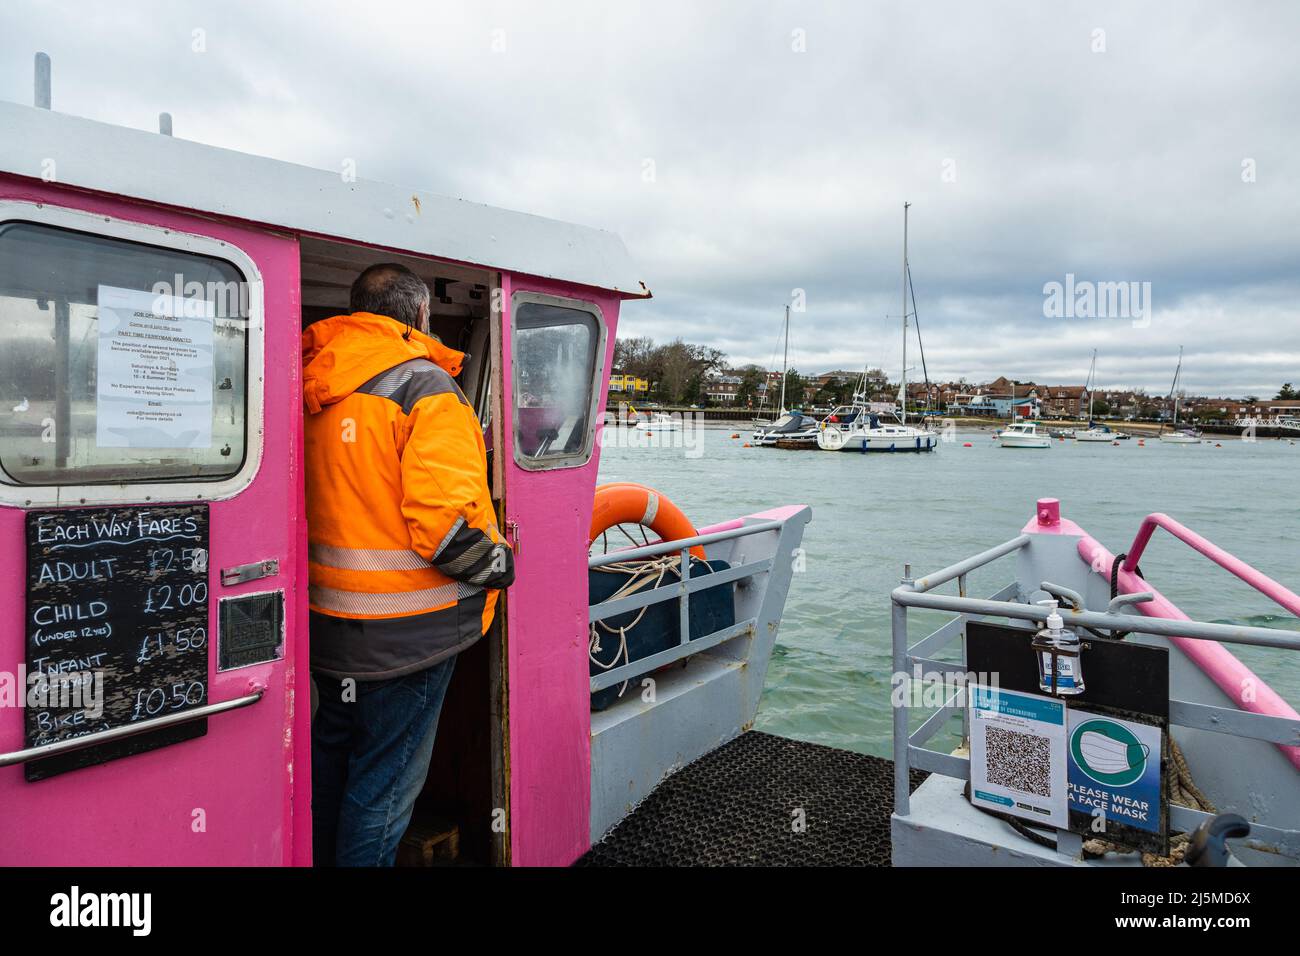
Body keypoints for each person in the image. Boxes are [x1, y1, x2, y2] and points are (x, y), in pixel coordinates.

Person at [302, 262, 514, 866]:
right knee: (385, 789)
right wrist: (503, 565)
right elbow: (447, 531)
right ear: (420, 315)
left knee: (332, 767)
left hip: (327, 629)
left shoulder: (311, 380)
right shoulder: (426, 390)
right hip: (407, 638)